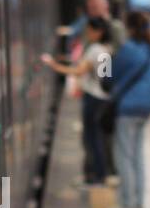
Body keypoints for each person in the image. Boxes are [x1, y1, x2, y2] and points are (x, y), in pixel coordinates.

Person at [41, 18, 113, 186]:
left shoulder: (95, 49)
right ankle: (100, 175)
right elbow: (105, 77)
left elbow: (79, 71)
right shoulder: (105, 50)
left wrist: (55, 66)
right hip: (102, 98)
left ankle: (95, 177)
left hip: (93, 99)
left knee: (91, 139)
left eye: (90, 30)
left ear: (98, 31)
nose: (87, 33)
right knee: (97, 139)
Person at [105, 11, 150, 208]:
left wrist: (107, 56)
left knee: (124, 157)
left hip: (128, 107)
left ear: (130, 28)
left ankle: (127, 205)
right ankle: (137, 205)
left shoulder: (129, 49)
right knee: (137, 156)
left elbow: (109, 75)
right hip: (147, 108)